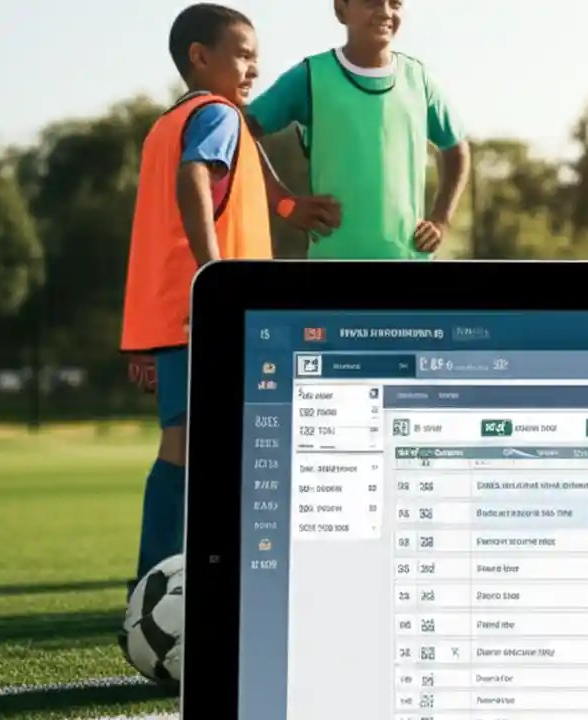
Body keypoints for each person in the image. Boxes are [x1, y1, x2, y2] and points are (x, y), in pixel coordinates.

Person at [120, 3, 338, 598]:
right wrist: (218, 272)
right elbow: (198, 178)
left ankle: (163, 583)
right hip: (207, 312)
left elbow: (244, 179)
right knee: (213, 444)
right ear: (200, 57)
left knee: (194, 444)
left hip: (176, 315)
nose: (253, 69)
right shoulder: (215, 115)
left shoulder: (177, 120)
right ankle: (167, 585)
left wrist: (290, 207)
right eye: (243, 55)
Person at [247, 0, 471, 259]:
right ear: (341, 10)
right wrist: (284, 204)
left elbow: (456, 148)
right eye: (372, 3)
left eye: (395, 4)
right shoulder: (310, 76)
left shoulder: (419, 80)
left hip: (408, 262)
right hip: (333, 264)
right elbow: (239, 133)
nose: (386, 12)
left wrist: (441, 220)